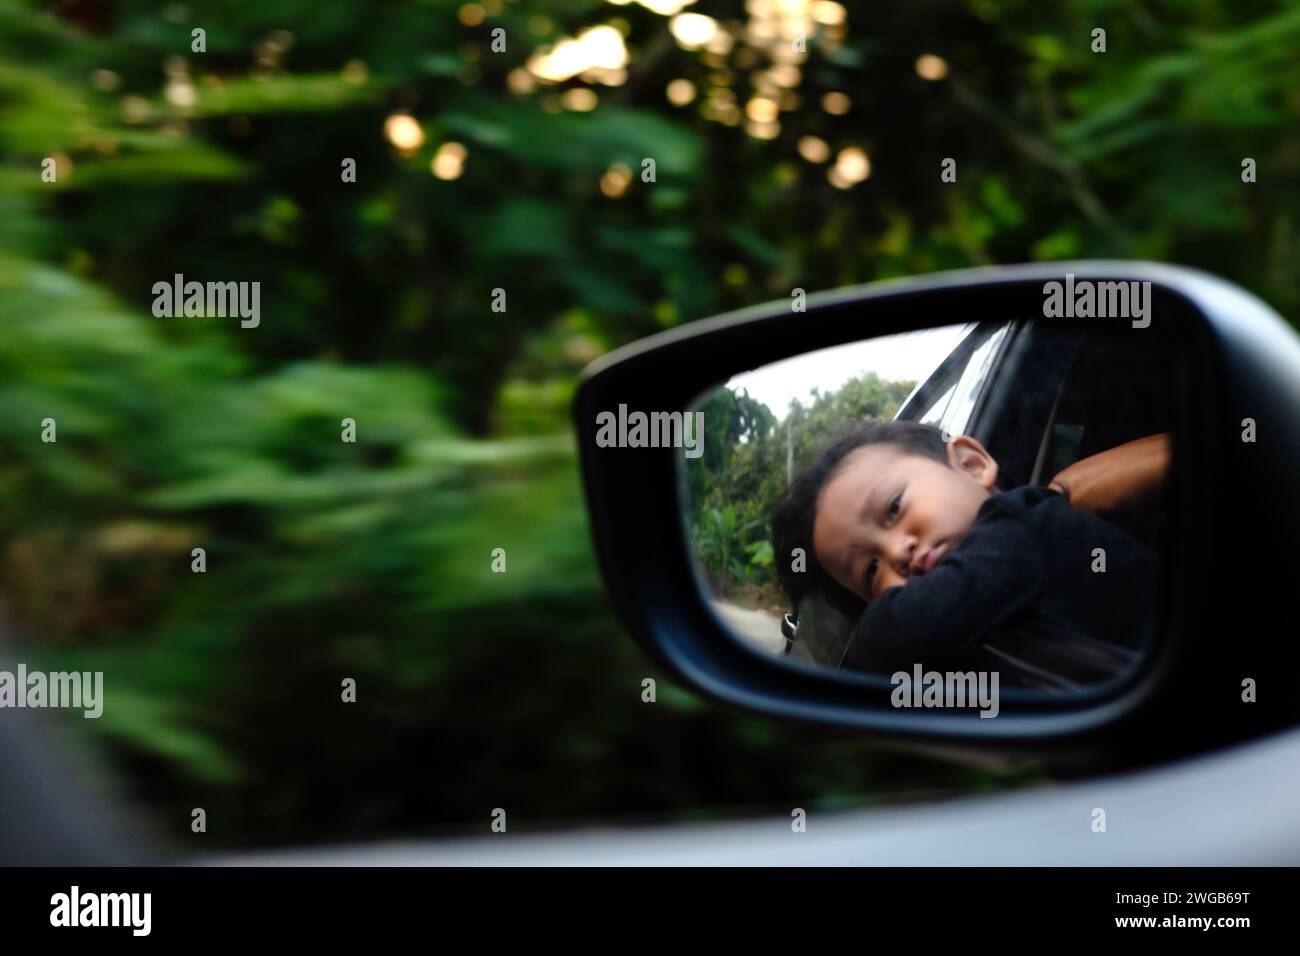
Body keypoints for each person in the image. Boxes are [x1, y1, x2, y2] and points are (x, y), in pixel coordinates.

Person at [771, 421, 1168, 690]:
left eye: (894, 508)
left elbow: (883, 640)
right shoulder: (988, 580)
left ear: (972, 464)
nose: (897, 553)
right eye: (870, 570)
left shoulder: (1020, 526)